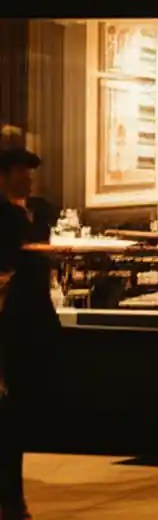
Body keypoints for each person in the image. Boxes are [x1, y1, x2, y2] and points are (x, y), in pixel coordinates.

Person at [0, 149, 60, 520]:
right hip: (12, 325)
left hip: (22, 324)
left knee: (12, 416)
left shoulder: (30, 213)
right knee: (10, 417)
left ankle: (12, 497)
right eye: (22, 175)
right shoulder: (10, 218)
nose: (28, 182)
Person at [0, 150, 55, 244]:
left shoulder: (43, 207)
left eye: (29, 172)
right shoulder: (4, 212)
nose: (28, 178)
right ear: (2, 176)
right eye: (21, 171)